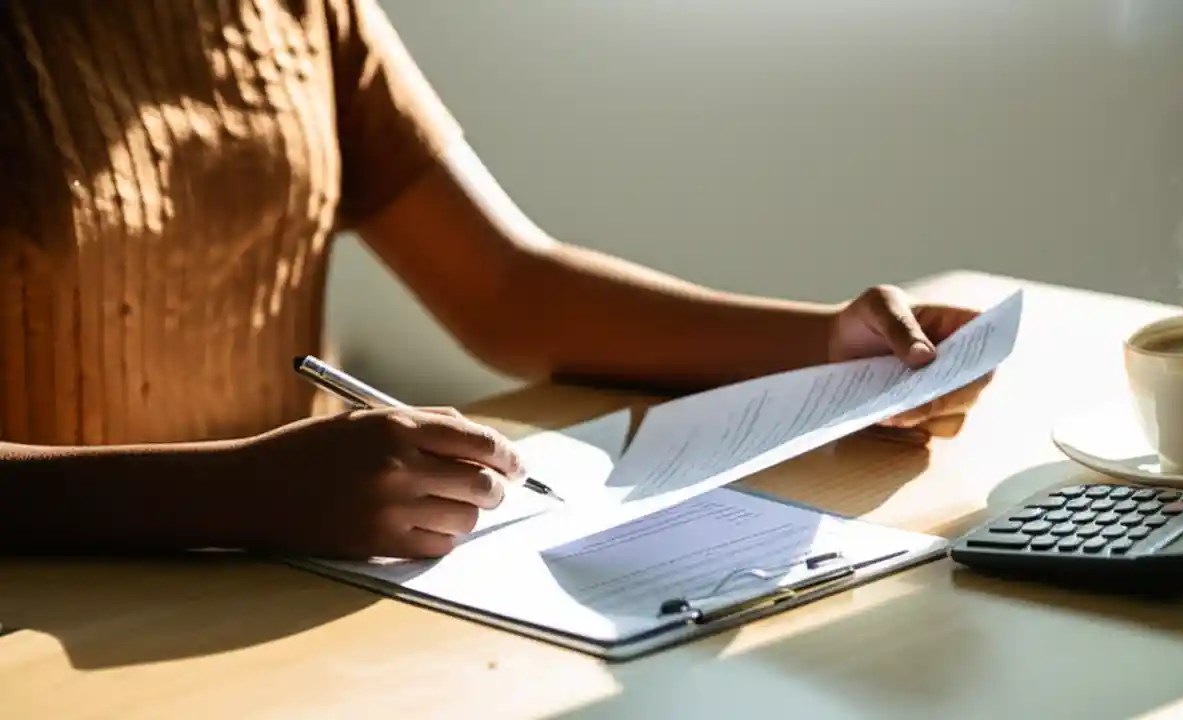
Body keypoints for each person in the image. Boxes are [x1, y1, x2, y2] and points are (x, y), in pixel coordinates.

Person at [0, 0, 989, 559]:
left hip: (292, 569)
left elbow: (506, 288)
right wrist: (230, 495)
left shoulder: (299, 11)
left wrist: (824, 347)